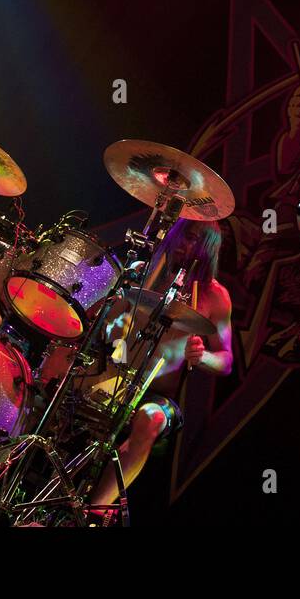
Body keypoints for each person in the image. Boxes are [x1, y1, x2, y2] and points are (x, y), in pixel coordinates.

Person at [79, 218, 233, 511]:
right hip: (112, 375)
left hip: (155, 395)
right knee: (60, 372)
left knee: (152, 419)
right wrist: (117, 343)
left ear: (208, 249)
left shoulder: (215, 296)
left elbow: (225, 361)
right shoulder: (143, 274)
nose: (186, 246)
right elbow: (110, 330)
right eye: (184, 236)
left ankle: (95, 511)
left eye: (195, 240)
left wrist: (203, 357)